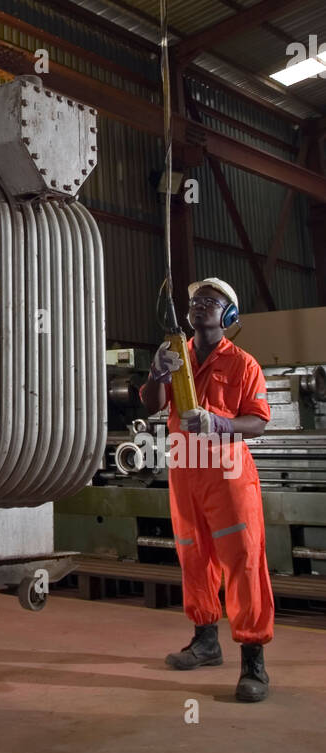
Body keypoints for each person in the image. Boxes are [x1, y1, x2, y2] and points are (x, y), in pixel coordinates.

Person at [140, 278, 273, 702]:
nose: (200, 306)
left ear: (229, 315)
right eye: (196, 300)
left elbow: (259, 421)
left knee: (242, 562)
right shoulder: (174, 354)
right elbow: (152, 402)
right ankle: (205, 641)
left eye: (211, 301)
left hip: (227, 473)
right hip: (185, 468)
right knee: (192, 555)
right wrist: (158, 373)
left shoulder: (243, 364)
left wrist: (219, 423)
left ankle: (253, 661)